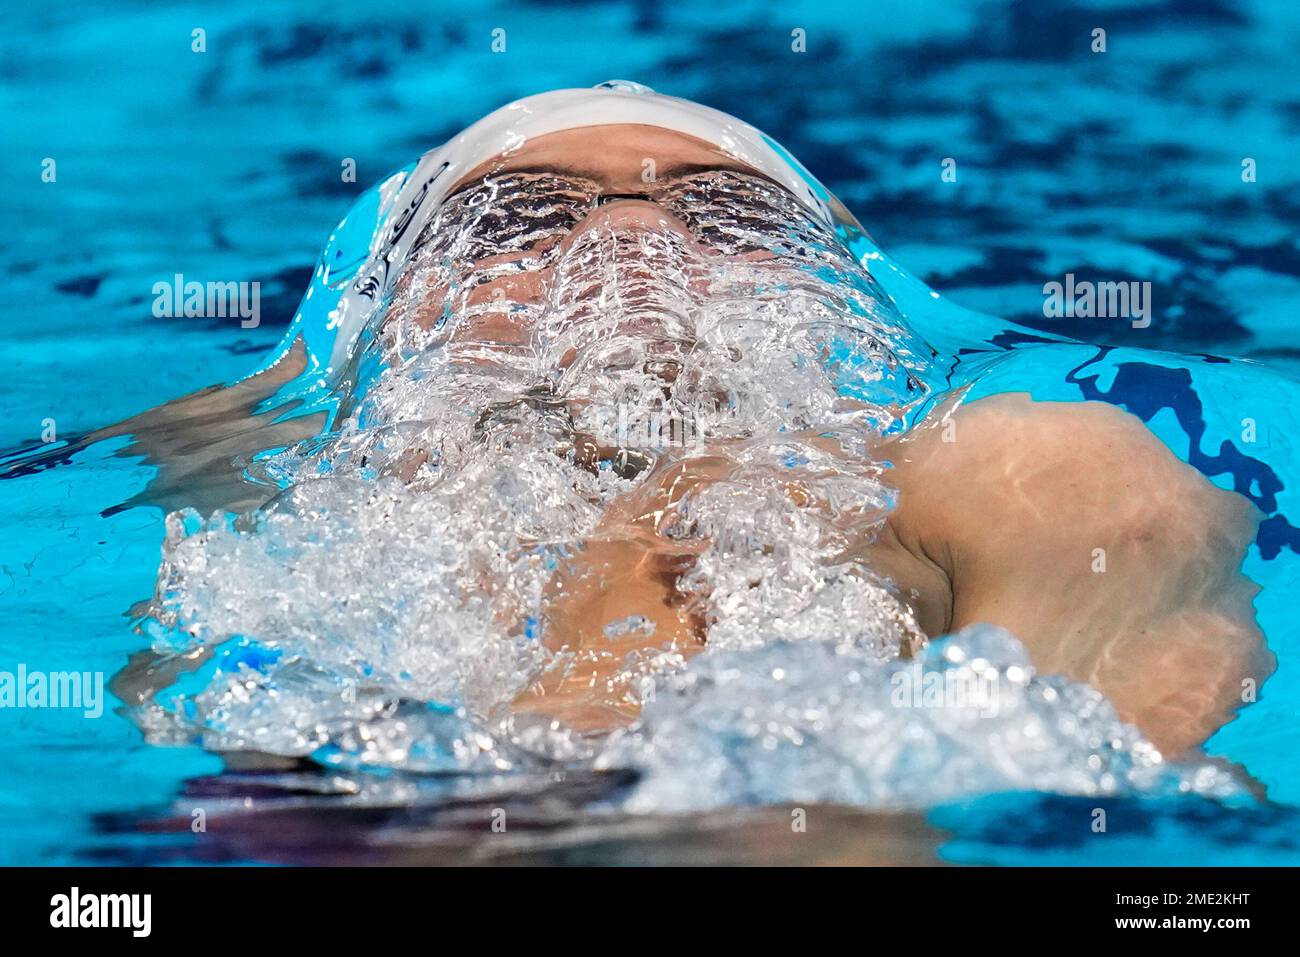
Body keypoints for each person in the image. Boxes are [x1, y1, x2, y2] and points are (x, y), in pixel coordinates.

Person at [51, 84, 1279, 757]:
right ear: (394, 314)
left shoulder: (1029, 473)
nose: (632, 244)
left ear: (845, 295)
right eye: (520, 219)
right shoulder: (268, 544)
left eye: (728, 218)